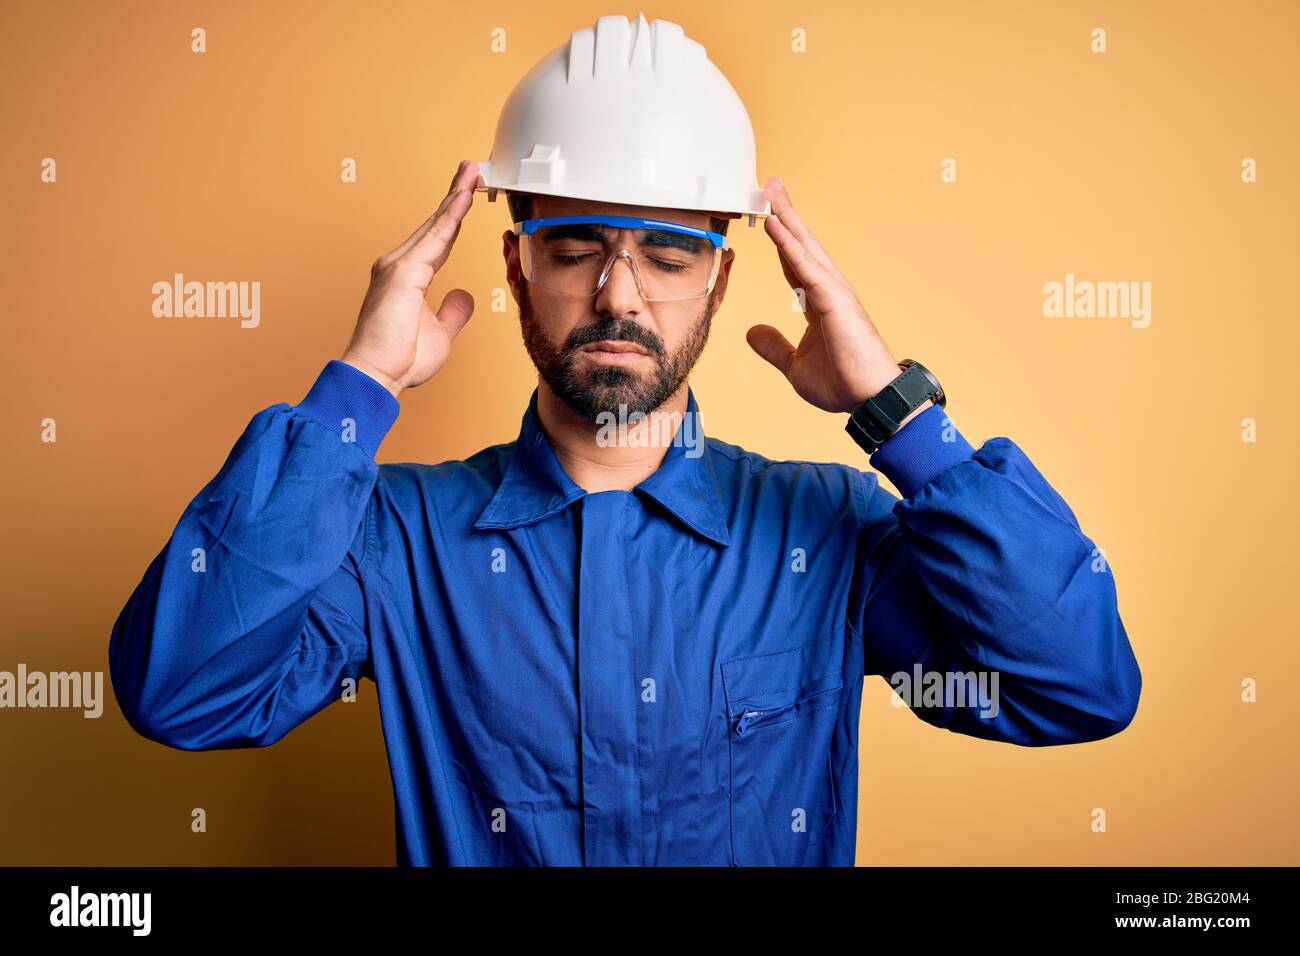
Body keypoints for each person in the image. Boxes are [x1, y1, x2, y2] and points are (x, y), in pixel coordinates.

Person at [108, 14, 1140, 866]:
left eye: (666, 253)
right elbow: (183, 691)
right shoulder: (394, 539)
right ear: (517, 272)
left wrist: (897, 412)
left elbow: (1073, 685)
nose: (618, 292)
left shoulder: (830, 533)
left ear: (720, 281)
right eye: (575, 247)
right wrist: (359, 389)